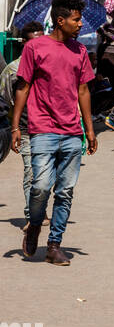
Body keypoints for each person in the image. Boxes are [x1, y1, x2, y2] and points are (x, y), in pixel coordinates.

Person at [10, 0, 97, 265]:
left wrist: (90, 130)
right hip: (42, 129)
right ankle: (35, 224)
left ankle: (54, 244)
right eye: (76, 20)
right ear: (60, 21)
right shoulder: (35, 48)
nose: (80, 24)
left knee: (65, 191)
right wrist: (15, 127)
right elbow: (22, 88)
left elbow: (83, 90)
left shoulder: (80, 51)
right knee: (41, 186)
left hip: (72, 132)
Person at [0, 21, 45, 223]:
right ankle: (32, 216)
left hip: (49, 128)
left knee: (46, 175)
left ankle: (39, 209)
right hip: (26, 128)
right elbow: (7, 98)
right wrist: (15, 126)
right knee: (31, 172)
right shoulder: (12, 70)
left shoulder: (49, 65)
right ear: (24, 44)